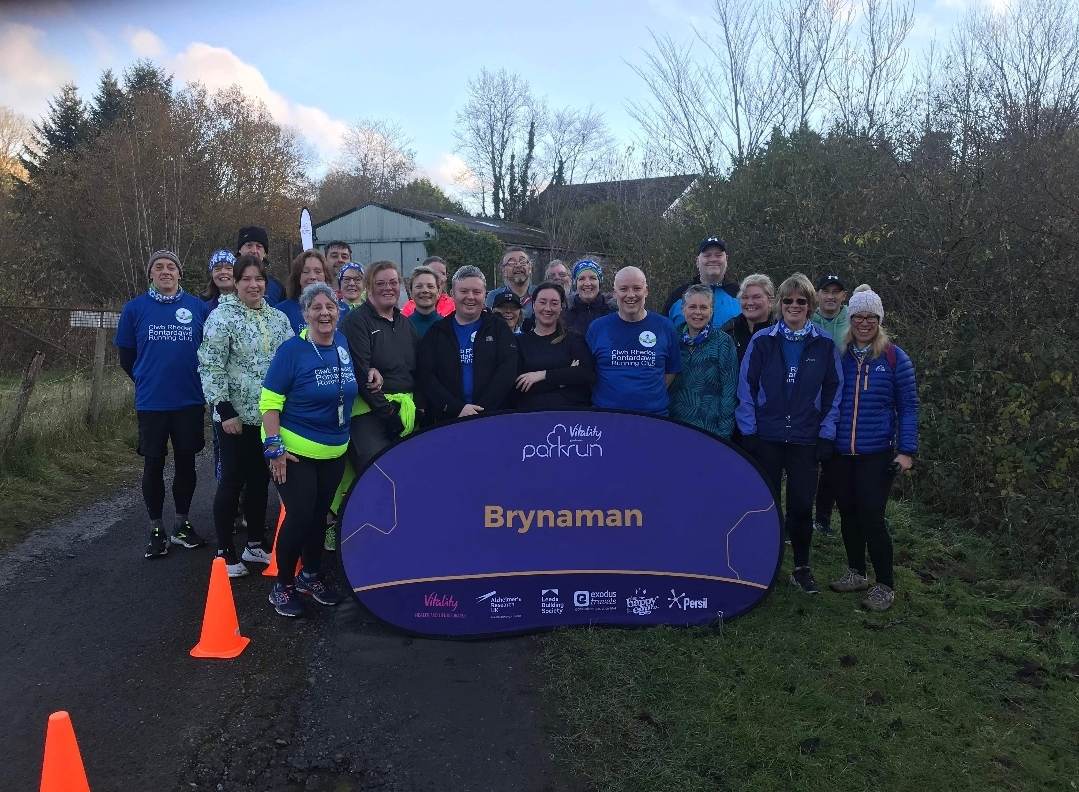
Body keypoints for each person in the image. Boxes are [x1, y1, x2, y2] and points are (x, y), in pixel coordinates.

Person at [736, 273, 842, 594]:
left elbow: (834, 391)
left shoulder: (824, 344)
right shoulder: (763, 339)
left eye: (801, 301)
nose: (794, 306)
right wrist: (748, 430)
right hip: (766, 436)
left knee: (799, 505)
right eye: (788, 300)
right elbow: (746, 388)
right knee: (766, 504)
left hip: (805, 438)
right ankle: (763, 565)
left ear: (810, 306)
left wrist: (826, 433)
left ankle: (801, 566)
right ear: (779, 304)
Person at [260, 282, 359, 617]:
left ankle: (310, 576)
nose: (324, 313)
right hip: (295, 452)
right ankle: (283, 586)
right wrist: (274, 448)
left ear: (338, 310)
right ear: (305, 314)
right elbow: (269, 402)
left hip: (334, 451)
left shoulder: (342, 343)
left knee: (319, 517)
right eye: (316, 307)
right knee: (300, 517)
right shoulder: (291, 351)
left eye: (329, 306)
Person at [198, 255, 293, 577]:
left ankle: (255, 543)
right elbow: (210, 364)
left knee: (259, 481)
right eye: (246, 279)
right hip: (235, 418)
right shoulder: (221, 317)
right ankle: (225, 551)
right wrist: (223, 408)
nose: (253, 285)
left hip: (268, 417)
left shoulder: (278, 319)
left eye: (259, 279)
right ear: (235, 283)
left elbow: (291, 361)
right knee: (232, 481)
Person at [828, 285, 918, 612]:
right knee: (849, 514)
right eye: (858, 316)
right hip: (840, 452)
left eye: (870, 317)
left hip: (876, 452)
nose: (864, 322)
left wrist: (906, 451)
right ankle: (856, 571)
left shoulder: (895, 357)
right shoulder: (839, 356)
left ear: (879, 319)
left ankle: (885, 584)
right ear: (849, 319)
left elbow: (909, 407)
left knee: (872, 516)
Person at [115, 250, 210, 558]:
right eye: (159, 267)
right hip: (152, 402)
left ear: (179, 274)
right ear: (151, 275)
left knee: (186, 463)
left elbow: (210, 353)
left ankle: (181, 525)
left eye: (171, 267)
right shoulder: (134, 309)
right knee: (153, 464)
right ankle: (156, 529)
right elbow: (127, 358)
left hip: (189, 400)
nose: (166, 271)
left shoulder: (197, 307)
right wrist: (147, 379)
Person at [339, 260, 419, 475]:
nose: (388, 288)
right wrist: (388, 413)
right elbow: (360, 372)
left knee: (408, 476)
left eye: (393, 282)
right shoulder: (356, 322)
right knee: (377, 476)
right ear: (369, 287)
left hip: (405, 412)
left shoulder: (405, 323)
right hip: (370, 413)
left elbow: (415, 369)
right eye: (380, 283)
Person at [417, 265, 518, 424]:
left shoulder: (499, 329)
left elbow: (507, 371)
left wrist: (481, 410)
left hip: (493, 418)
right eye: (463, 291)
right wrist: (457, 408)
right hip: (449, 421)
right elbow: (427, 376)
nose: (470, 297)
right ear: (452, 294)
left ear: (485, 294)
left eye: (477, 292)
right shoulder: (437, 332)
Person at [586, 266, 680, 416]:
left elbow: (671, 371)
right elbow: (588, 372)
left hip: (654, 419)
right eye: (623, 289)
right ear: (615, 293)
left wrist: (647, 397)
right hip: (606, 417)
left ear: (646, 291)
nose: (631, 295)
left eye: (637, 288)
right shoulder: (597, 328)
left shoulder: (665, 327)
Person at [668, 284, 739, 439]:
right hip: (674, 426)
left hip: (711, 431)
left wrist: (724, 434)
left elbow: (730, 390)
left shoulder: (723, 342)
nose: (698, 312)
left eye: (703, 307)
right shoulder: (671, 339)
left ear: (711, 310)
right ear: (683, 309)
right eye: (692, 306)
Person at [810, 273, 850, 535]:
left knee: (833, 464)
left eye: (836, 292)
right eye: (826, 291)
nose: (831, 296)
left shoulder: (852, 319)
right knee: (808, 461)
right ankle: (798, 516)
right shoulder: (807, 318)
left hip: (843, 398)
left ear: (843, 296)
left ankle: (823, 517)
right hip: (811, 399)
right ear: (818, 294)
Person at [515, 282, 595, 410]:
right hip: (531, 417)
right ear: (533, 305)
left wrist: (542, 375)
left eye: (554, 303)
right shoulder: (520, 342)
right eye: (542, 302)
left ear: (561, 307)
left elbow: (586, 374)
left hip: (572, 417)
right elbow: (519, 385)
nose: (548, 308)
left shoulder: (574, 340)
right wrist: (565, 379)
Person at [665, 237, 741, 328]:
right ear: (697, 261)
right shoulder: (678, 296)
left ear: (726, 260)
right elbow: (662, 334)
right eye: (707, 255)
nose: (713, 259)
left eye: (718, 255)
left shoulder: (741, 295)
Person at [721, 274, 776, 364]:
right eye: (745, 297)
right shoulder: (728, 332)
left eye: (756, 297)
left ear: (770, 301)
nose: (750, 303)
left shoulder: (782, 332)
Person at [276, 249, 334, 335]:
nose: (312, 277)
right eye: (306, 272)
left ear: (326, 276)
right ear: (297, 277)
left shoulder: (339, 309)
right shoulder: (281, 312)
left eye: (318, 271)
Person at [237, 226, 285, 306]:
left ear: (265, 253)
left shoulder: (277, 287)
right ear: (240, 250)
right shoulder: (228, 282)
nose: (254, 251)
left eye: (259, 246)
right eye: (249, 245)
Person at [564, 258, 613, 336]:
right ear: (575, 283)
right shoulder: (565, 313)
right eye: (581, 279)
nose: (587, 283)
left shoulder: (613, 312)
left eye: (593, 278)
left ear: (599, 282)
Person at [485, 247, 535, 317]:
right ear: (503, 270)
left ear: (529, 268)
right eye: (511, 263)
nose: (518, 265)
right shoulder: (494, 296)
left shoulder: (540, 294)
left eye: (522, 261)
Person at [403, 266, 443, 338]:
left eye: (430, 286)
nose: (425, 290)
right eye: (419, 286)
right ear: (411, 292)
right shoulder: (403, 328)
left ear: (438, 292)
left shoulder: (449, 327)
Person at [812, 273, 850, 342]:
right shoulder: (807, 322)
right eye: (825, 292)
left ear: (844, 296)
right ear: (816, 295)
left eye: (836, 292)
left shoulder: (853, 321)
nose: (830, 297)